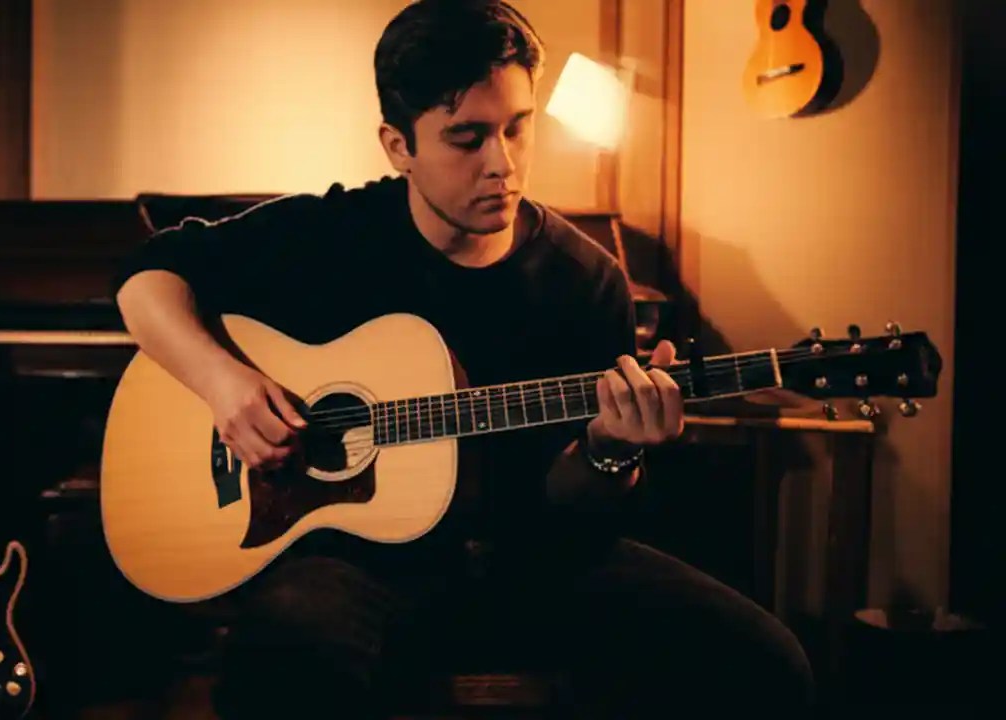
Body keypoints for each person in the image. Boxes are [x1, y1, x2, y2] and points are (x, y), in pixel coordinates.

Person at [112, 1, 814, 717]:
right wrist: (223, 382)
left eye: (517, 126)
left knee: (765, 662)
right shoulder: (332, 234)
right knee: (286, 644)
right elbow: (147, 276)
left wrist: (609, 451)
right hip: (358, 568)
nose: (502, 165)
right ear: (397, 145)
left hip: (528, 562)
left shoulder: (588, 281)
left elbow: (567, 503)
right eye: (467, 138)